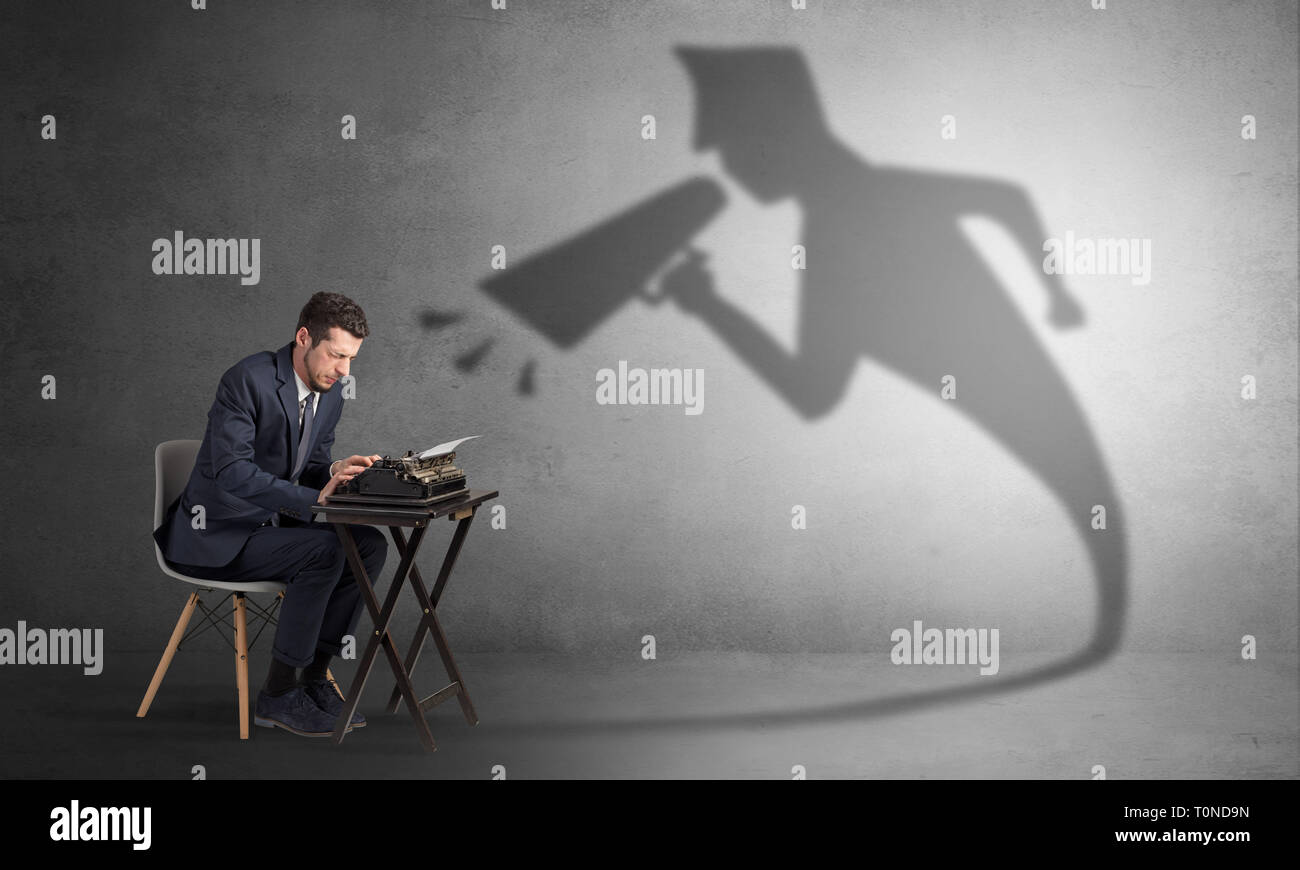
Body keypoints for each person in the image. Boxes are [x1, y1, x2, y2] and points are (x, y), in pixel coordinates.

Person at [153, 291, 389, 737]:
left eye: (352, 359)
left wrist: (337, 471)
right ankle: (278, 695)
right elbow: (232, 472)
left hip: (271, 530)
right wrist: (314, 501)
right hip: (217, 534)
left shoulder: (329, 391)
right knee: (323, 551)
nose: (344, 371)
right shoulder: (247, 379)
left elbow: (311, 465)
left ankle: (315, 680)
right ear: (304, 337)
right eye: (337, 355)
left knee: (369, 545)